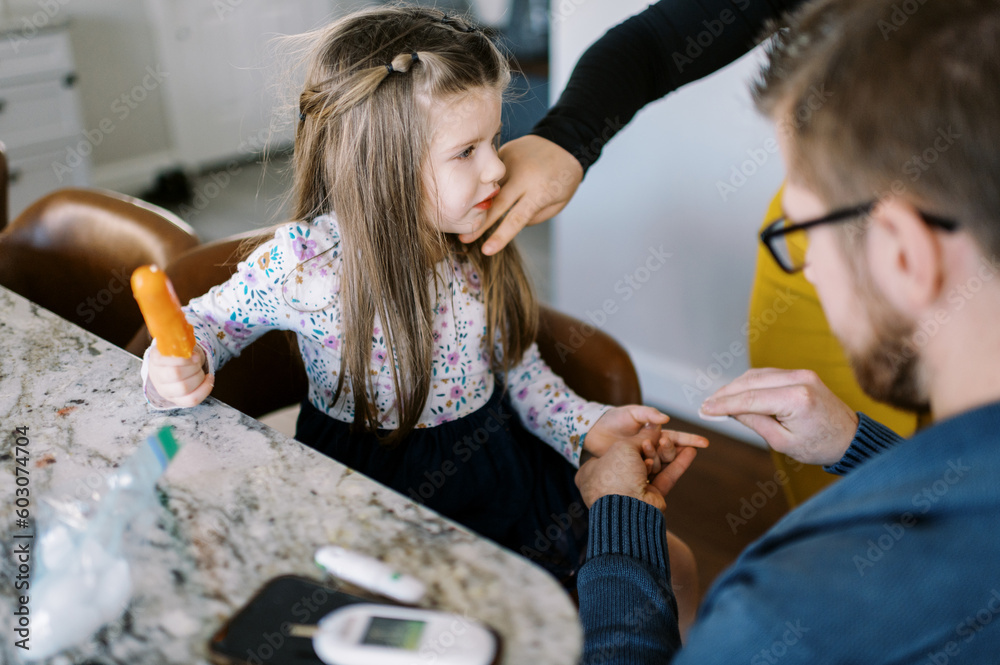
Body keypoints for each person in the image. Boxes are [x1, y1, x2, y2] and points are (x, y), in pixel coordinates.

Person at [137, 5, 707, 592]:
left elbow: (520, 371)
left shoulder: (478, 237)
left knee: (672, 566)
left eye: (494, 140)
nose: (497, 168)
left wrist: (589, 424)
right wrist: (174, 364)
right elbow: (205, 325)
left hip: (500, 472)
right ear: (383, 167)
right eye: (467, 152)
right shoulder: (307, 267)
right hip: (366, 497)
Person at [574, 0, 1000, 661]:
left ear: (904, 254)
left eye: (800, 229)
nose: (803, 267)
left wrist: (623, 535)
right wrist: (856, 445)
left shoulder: (785, 615)